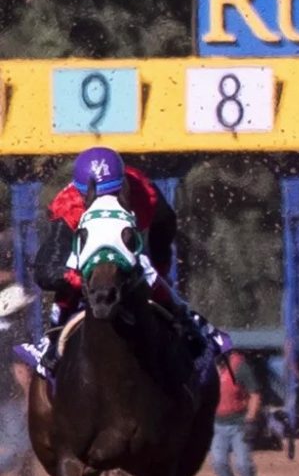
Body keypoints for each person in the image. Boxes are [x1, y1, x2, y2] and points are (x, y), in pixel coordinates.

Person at [15, 147, 208, 376]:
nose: (107, 202)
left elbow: (164, 226)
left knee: (150, 272)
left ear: (124, 184)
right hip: (84, 268)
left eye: (114, 193)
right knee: (68, 289)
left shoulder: (144, 191)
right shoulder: (68, 207)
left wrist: (161, 264)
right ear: (81, 193)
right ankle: (52, 337)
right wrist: (77, 278)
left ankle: (185, 322)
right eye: (98, 197)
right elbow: (45, 270)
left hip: (127, 260)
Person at [210, 341, 265, 476]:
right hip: (217, 424)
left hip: (239, 423)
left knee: (243, 464)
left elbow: (255, 394)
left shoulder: (240, 367)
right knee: (218, 462)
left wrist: (250, 419)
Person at [0, 282, 37, 476]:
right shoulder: (18, 332)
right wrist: (30, 400)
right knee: (21, 447)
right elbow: (21, 370)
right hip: (7, 398)